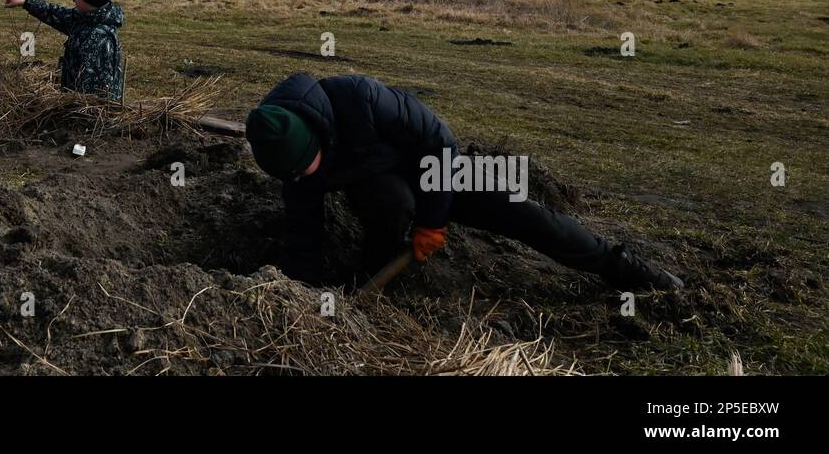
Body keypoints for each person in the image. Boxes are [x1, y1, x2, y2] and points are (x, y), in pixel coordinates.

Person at [245, 71, 683, 292]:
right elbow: (302, 236)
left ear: (319, 132)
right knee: (388, 202)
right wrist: (301, 294)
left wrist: (434, 221)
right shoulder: (292, 164)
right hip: (381, 184)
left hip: (440, 164)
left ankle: (624, 268)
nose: (306, 178)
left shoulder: (361, 98)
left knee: (525, 213)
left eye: (309, 166)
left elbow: (439, 141)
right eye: (295, 176)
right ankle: (376, 274)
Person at [0, 0, 124, 101]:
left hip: (90, 111)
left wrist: (71, 105)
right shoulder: (87, 19)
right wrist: (25, 2)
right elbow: (57, 13)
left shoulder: (97, 38)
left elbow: (90, 89)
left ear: (89, 0)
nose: (73, 0)